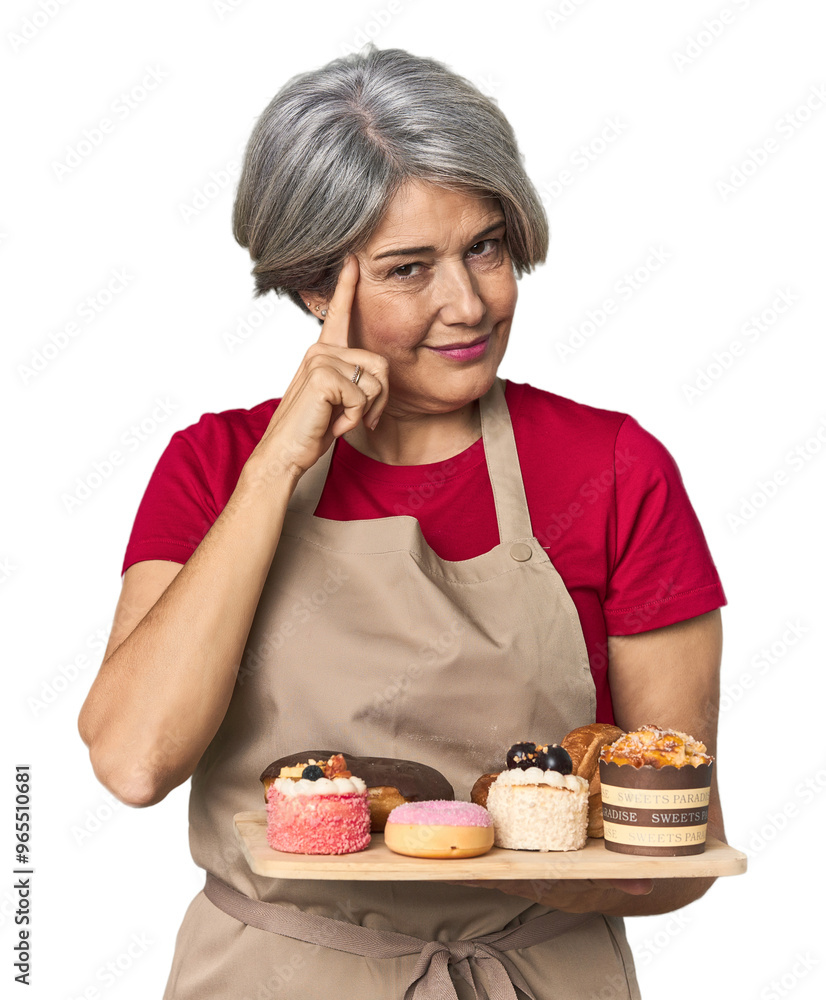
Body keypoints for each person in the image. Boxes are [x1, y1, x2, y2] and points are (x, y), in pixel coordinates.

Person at [78, 46, 727, 1000]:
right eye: (408, 269)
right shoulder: (215, 467)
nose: (468, 304)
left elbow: (674, 840)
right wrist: (276, 469)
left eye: (486, 248)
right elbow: (134, 762)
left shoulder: (615, 469)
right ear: (312, 287)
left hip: (539, 972)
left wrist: (541, 848)